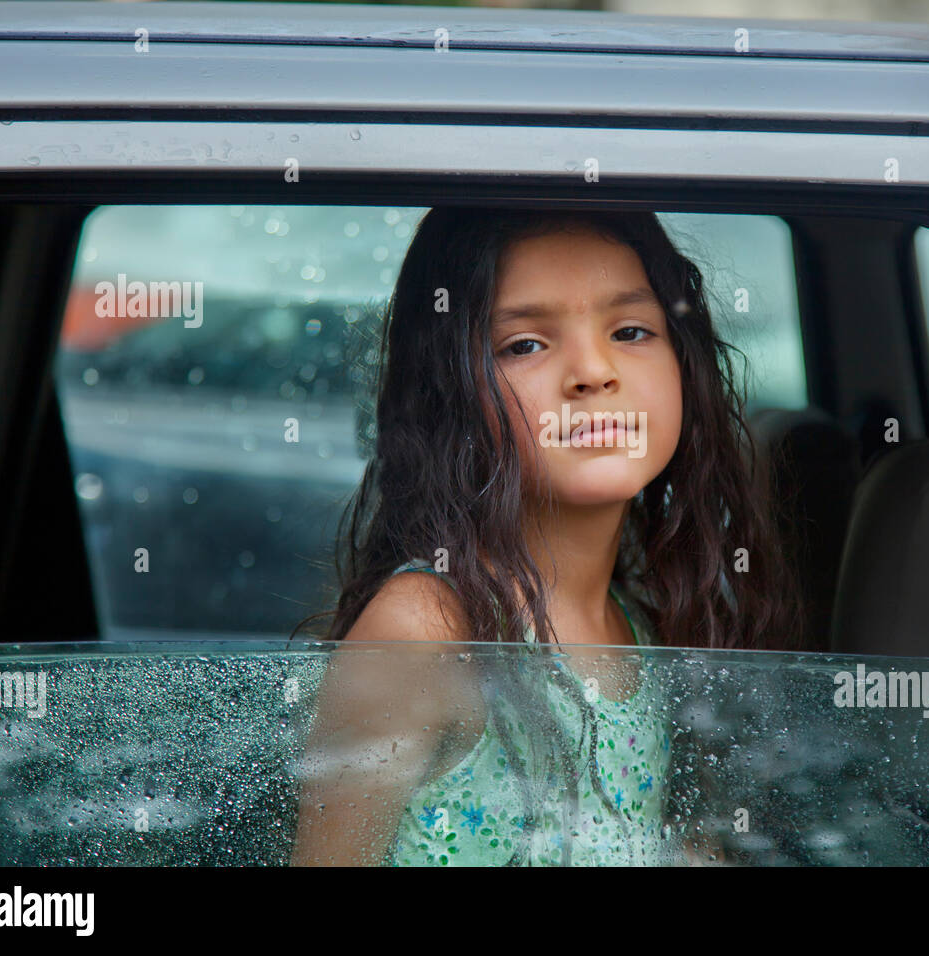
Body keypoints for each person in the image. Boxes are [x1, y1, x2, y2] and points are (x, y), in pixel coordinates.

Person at [291, 206, 802, 866]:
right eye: (525, 345)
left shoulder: (644, 626)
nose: (593, 371)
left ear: (685, 366)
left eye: (631, 330)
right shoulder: (430, 627)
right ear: (456, 394)